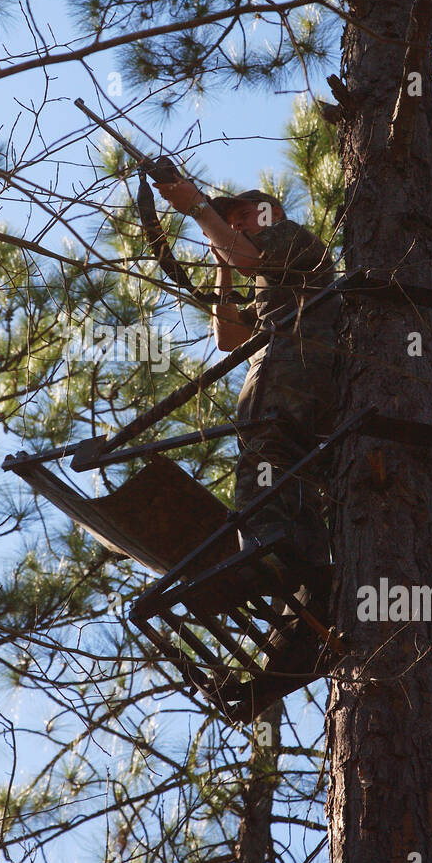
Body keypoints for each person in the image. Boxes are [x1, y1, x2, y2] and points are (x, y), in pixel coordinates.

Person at [153, 176, 340, 704]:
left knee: (265, 457)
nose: (234, 224)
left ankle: (268, 553)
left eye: (243, 216)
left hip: (291, 375)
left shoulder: (291, 238)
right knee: (287, 471)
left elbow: (253, 258)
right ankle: (299, 574)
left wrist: (196, 209)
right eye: (229, 218)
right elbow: (228, 338)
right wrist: (221, 266)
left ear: (269, 213)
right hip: (293, 378)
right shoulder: (270, 277)